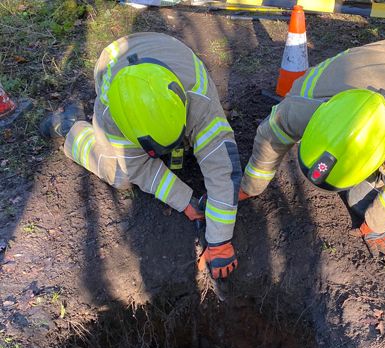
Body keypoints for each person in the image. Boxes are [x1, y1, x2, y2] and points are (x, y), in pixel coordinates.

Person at [40, 32, 241, 278]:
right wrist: (183, 200)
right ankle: (73, 128)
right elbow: (139, 168)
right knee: (120, 175)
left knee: (208, 135)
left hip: (169, 53)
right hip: (112, 61)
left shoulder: (199, 96)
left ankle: (181, 138)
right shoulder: (110, 117)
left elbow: (223, 168)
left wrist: (219, 242)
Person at [240, 40, 385, 255]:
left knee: (363, 200)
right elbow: (270, 136)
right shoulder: (301, 106)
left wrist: (375, 224)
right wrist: (251, 185)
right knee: (366, 192)